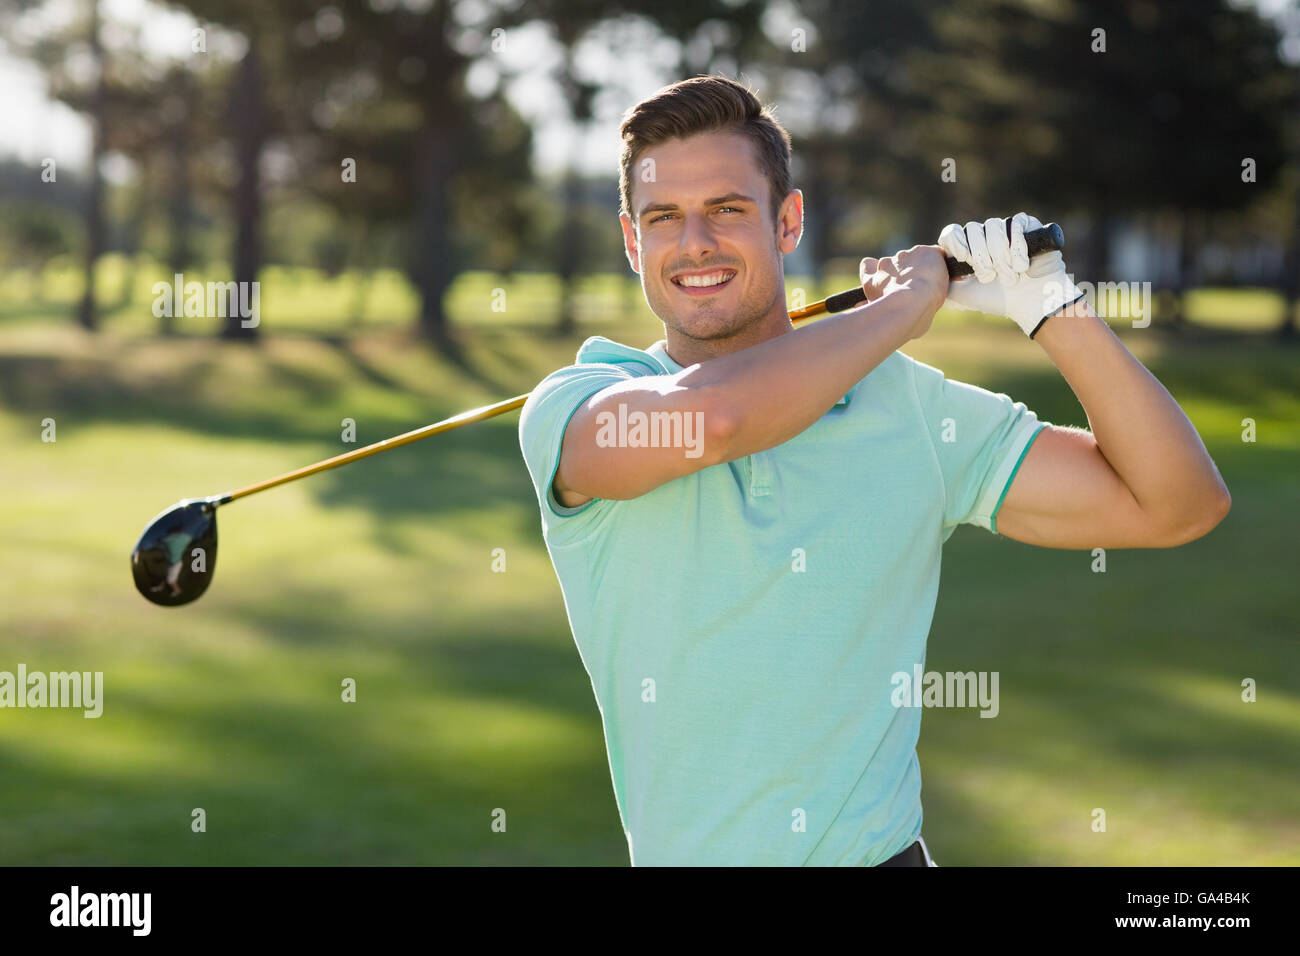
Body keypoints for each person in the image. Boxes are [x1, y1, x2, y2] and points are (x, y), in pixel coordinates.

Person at [517, 75, 1230, 866]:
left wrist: (1053, 309)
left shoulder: (913, 410)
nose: (696, 245)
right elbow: (714, 420)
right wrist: (898, 313)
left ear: (787, 221)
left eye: (727, 209)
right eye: (664, 219)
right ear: (630, 241)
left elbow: (1178, 505)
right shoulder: (579, 404)